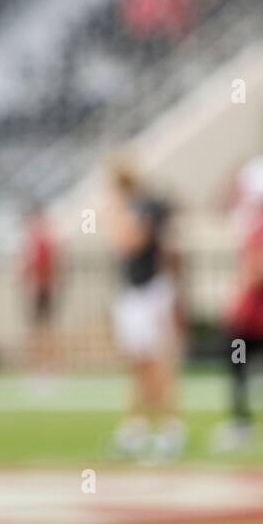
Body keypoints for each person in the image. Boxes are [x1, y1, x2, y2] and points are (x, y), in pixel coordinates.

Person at [106, 162, 185, 462]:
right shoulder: (133, 207)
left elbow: (130, 242)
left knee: (157, 361)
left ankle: (170, 427)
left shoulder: (145, 207)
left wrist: (116, 215)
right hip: (133, 293)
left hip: (151, 292)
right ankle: (136, 426)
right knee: (137, 362)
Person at [212, 156, 263, 456]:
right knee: (239, 370)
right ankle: (240, 423)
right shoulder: (254, 226)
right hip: (246, 317)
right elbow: (250, 268)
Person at [20, 202, 60, 376]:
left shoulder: (43, 241)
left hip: (42, 289)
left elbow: (47, 266)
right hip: (39, 289)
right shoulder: (36, 240)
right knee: (39, 329)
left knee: (43, 329)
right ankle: (42, 365)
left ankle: (48, 365)